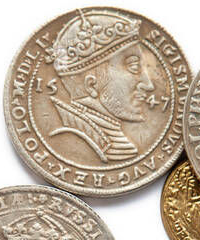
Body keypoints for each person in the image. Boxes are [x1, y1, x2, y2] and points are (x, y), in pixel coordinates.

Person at [46, 9, 154, 163]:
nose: (148, 85)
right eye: (134, 67)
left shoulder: (107, 138)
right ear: (92, 85)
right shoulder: (70, 138)